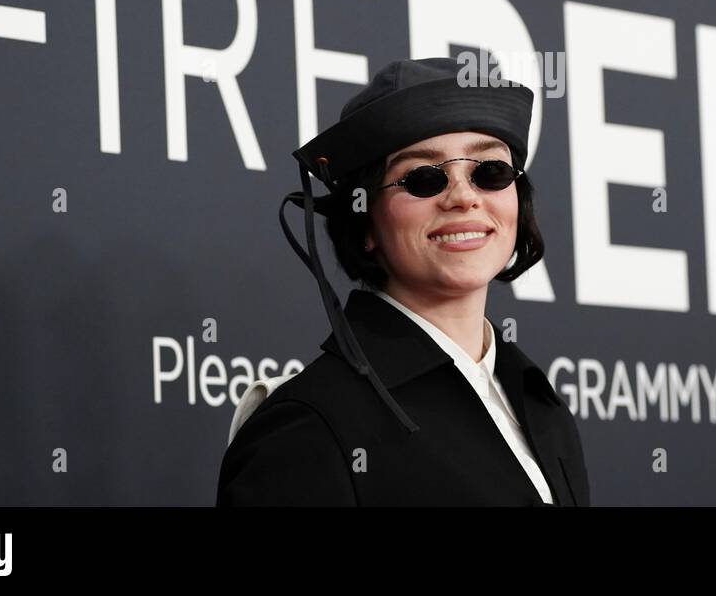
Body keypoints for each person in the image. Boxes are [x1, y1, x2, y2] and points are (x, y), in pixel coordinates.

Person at [215, 57, 590, 506]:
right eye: (424, 178)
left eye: (490, 171)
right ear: (366, 222)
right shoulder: (311, 424)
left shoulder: (541, 408)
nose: (464, 197)